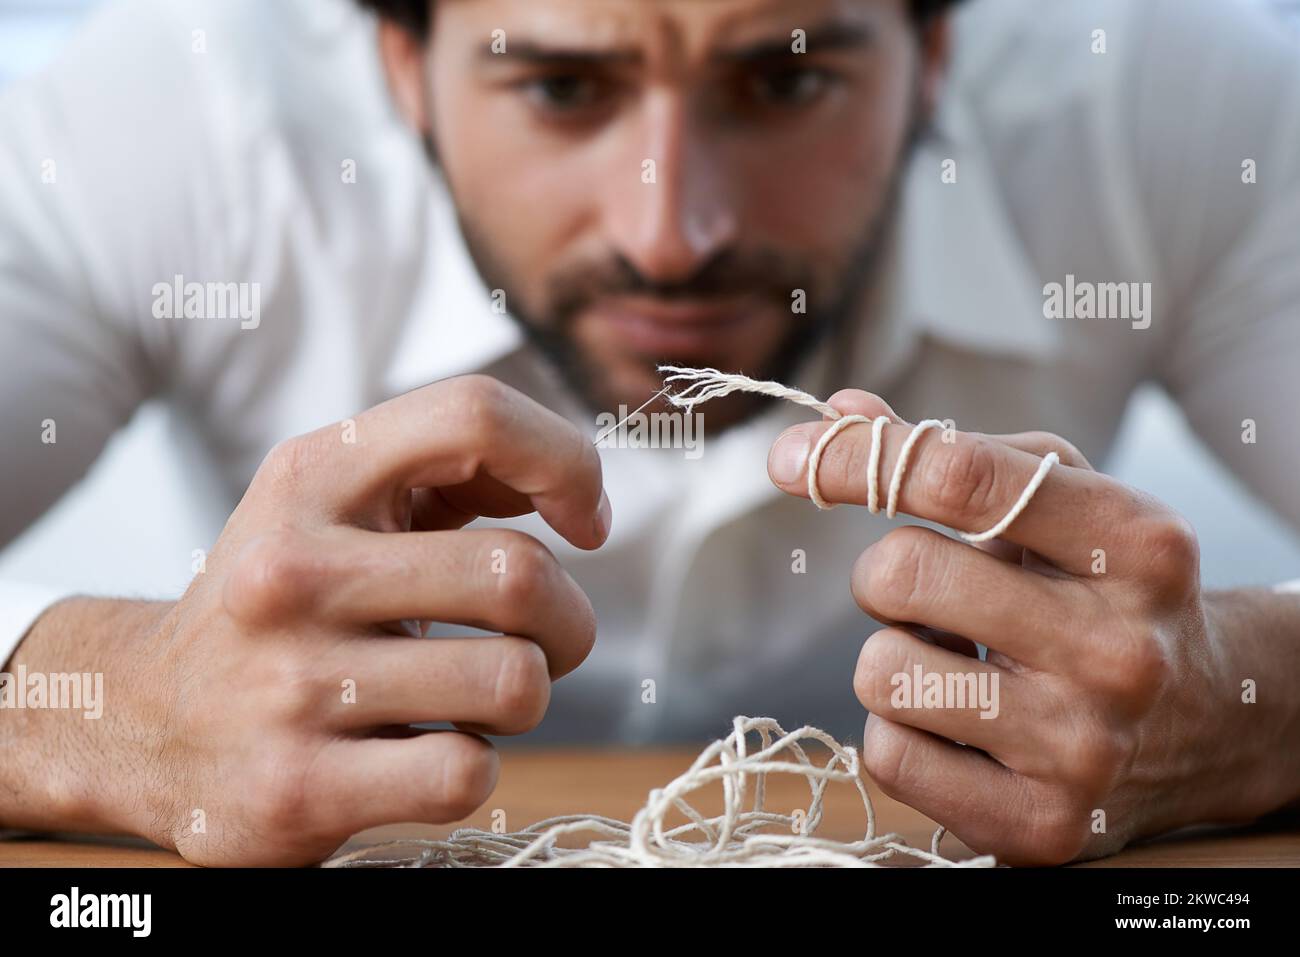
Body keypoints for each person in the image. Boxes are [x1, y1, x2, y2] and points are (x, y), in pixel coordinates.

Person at [0, 0, 1297, 867]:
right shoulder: (165, 122)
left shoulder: (1168, 103)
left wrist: (1253, 692)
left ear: (937, 53)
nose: (671, 232)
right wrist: (115, 700)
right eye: (563, 87)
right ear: (402, 65)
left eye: (785, 80)